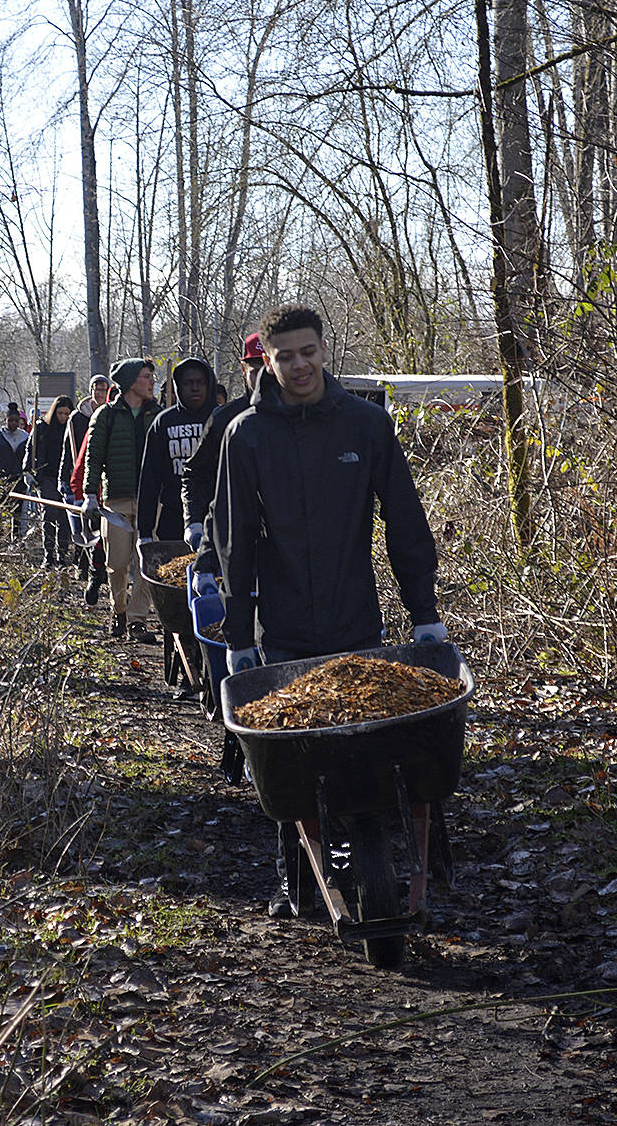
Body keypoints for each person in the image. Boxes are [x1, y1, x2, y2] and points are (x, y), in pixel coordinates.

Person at [212, 303, 446, 917]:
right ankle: (295, 876)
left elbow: (404, 520)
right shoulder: (247, 434)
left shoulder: (364, 425)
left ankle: (401, 852)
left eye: (307, 351)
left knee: (373, 750)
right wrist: (239, 635)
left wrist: (423, 611)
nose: (297, 365)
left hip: (355, 620)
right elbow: (234, 538)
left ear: (324, 349)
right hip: (284, 629)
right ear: (266, 358)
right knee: (293, 759)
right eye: (283, 355)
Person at [83, 358, 159, 642]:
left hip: (152, 502)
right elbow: (94, 458)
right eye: (146, 376)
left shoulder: (157, 414)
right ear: (129, 382)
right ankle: (119, 611)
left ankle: (138, 620)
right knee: (116, 564)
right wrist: (90, 495)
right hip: (115, 502)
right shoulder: (106, 416)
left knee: (145, 564)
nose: (152, 382)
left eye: (152, 376)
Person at [182, 333, 265, 576]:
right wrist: (193, 521)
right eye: (254, 368)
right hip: (227, 534)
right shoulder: (223, 420)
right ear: (243, 368)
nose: (261, 377)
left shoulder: (294, 418)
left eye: (266, 367)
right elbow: (194, 472)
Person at [137, 356, 217, 545]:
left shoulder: (222, 419)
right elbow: (150, 479)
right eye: (188, 383)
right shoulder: (164, 422)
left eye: (200, 383)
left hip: (218, 517)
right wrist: (145, 532)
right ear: (178, 387)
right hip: (173, 517)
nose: (195, 388)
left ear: (209, 385)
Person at [63, 375, 112, 593]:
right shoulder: (78, 418)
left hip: (107, 479)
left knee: (102, 529)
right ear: (91, 390)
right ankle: (85, 565)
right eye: (97, 389)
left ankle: (98, 568)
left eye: (103, 389)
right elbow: (73, 449)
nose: (100, 393)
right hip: (85, 474)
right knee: (85, 526)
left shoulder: (112, 415)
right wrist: (70, 479)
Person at [28, 396, 75, 568]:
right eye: (60, 413)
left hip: (65, 477)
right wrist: (29, 471)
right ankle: (48, 555)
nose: (63, 417)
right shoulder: (42, 428)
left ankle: (62, 555)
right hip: (46, 475)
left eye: (66, 414)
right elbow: (30, 448)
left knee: (64, 517)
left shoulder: (72, 428)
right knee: (49, 514)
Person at [0, 403, 32, 538]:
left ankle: (16, 538)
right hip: (0, 479)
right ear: (5, 420)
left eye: (16, 421)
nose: (13, 423)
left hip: (18, 480)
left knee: (17, 511)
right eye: (10, 420)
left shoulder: (25, 437)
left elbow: (29, 458)